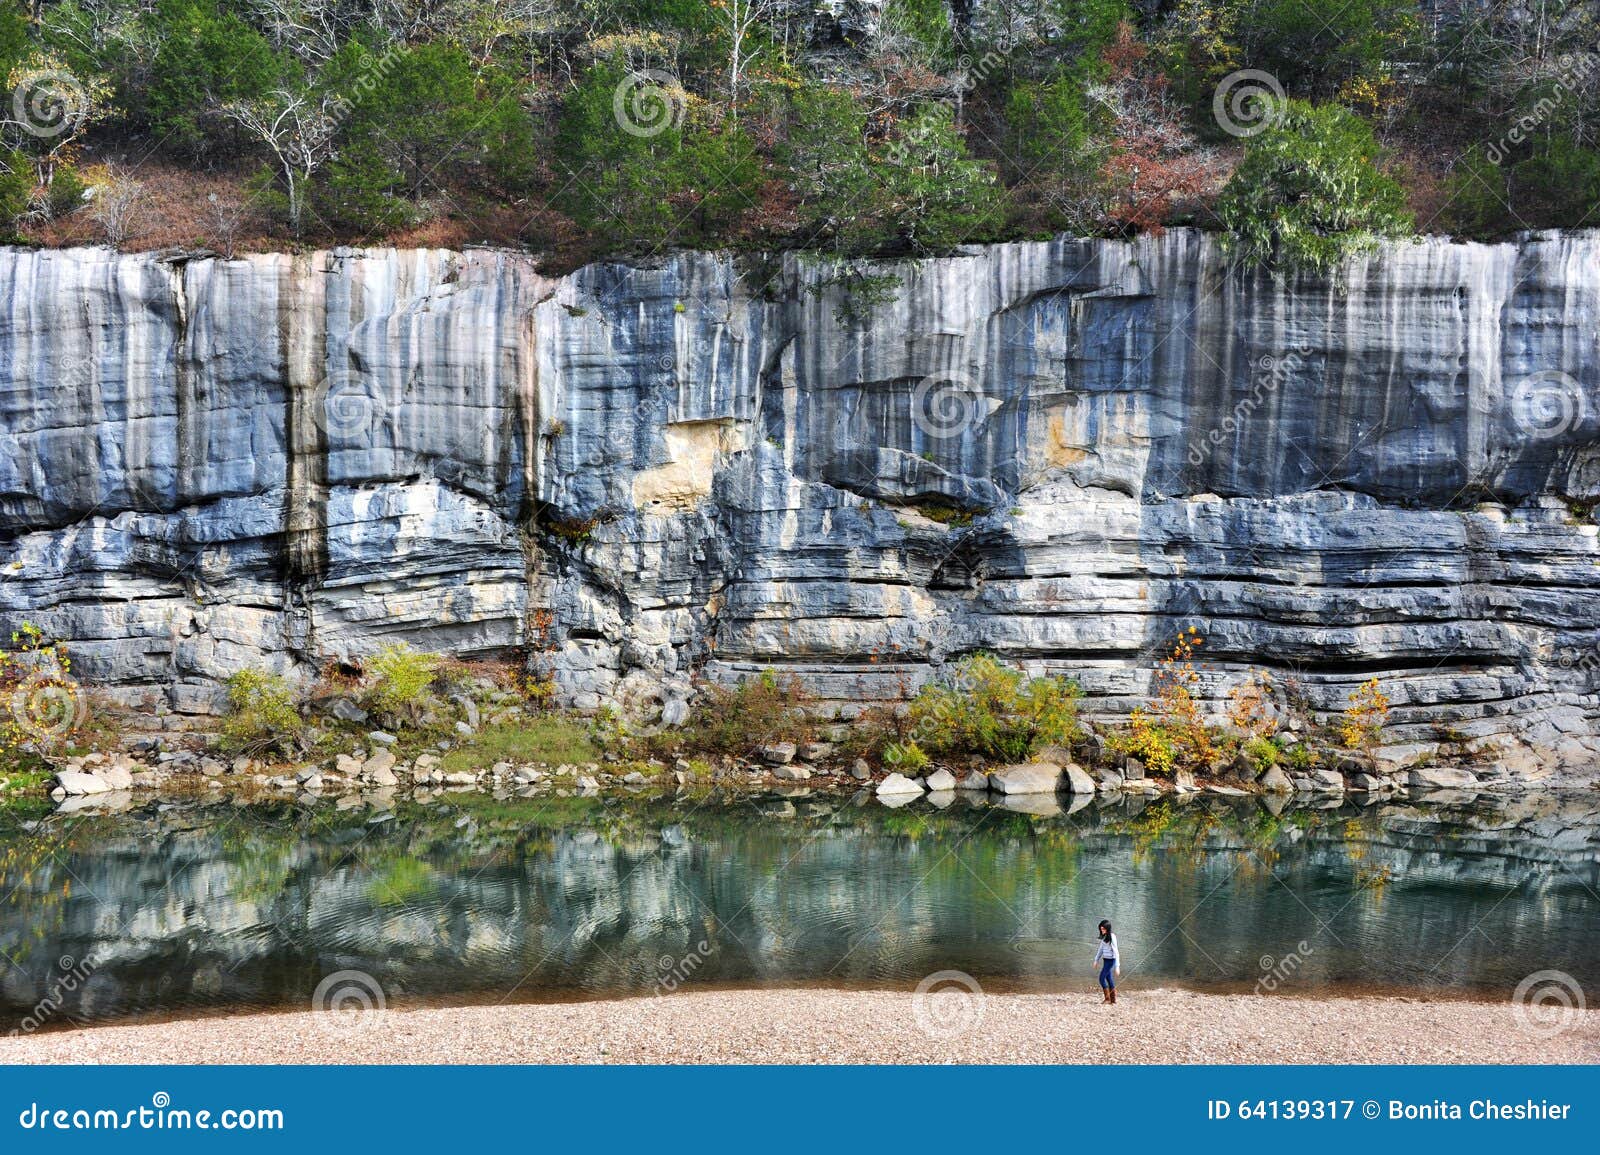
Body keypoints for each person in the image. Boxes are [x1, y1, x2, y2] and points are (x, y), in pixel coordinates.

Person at [1093, 919, 1120, 1003]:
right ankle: (1113, 1000)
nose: (1102, 931)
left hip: (1111, 961)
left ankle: (1108, 999)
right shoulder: (1104, 937)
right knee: (1109, 979)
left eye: (1103, 929)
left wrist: (1117, 966)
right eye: (1101, 929)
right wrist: (1096, 960)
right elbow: (1100, 949)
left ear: (1108, 928)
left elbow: (1116, 952)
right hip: (1106, 960)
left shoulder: (1112, 937)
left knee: (1101, 978)